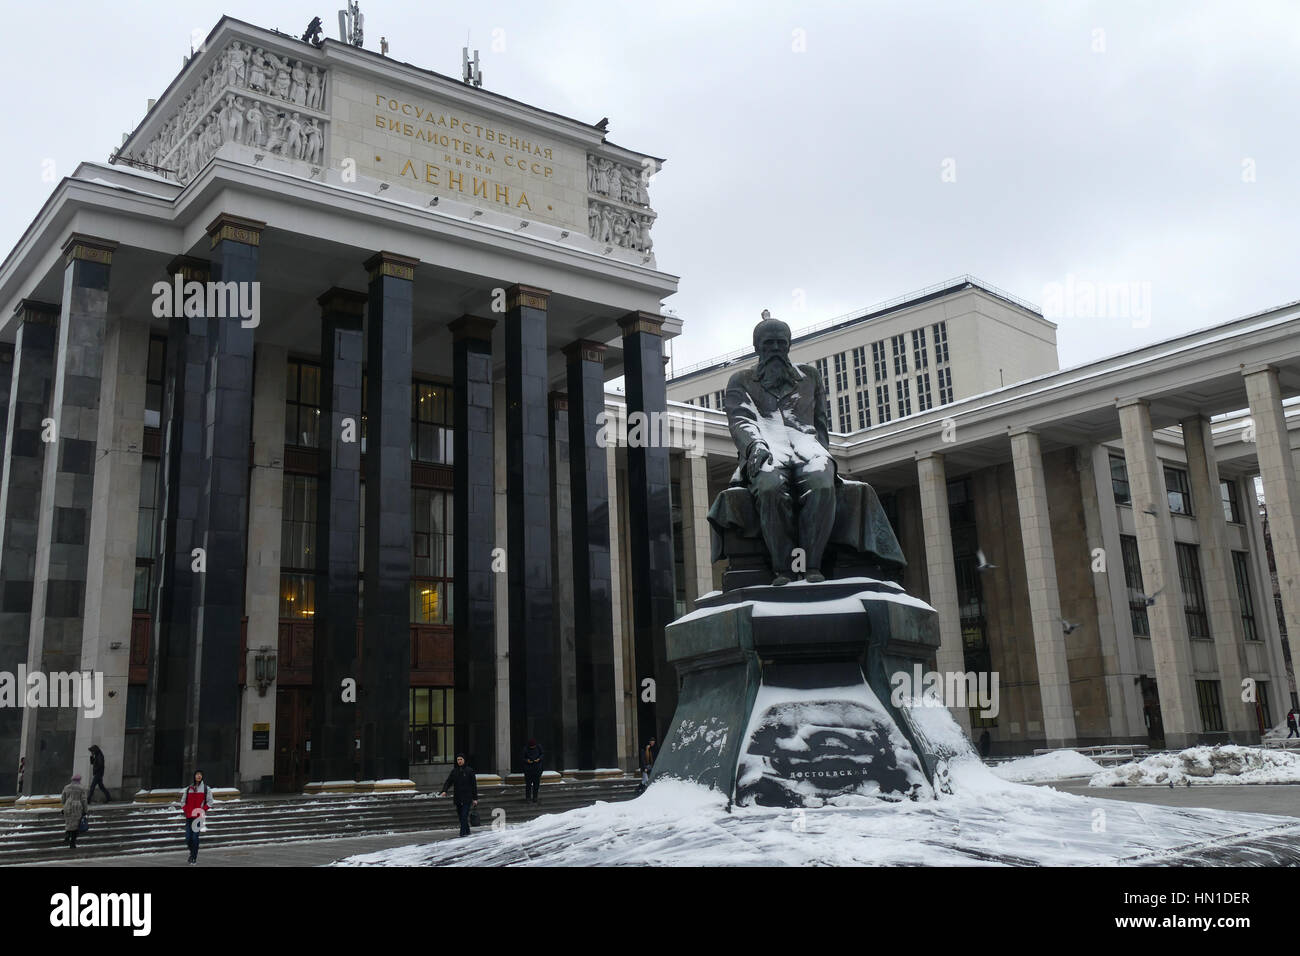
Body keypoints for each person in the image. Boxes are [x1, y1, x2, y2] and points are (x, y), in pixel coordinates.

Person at [723, 312, 836, 584]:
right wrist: (755, 446)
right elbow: (741, 420)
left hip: (807, 447)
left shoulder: (810, 376)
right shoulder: (740, 380)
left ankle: (812, 567)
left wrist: (823, 454)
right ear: (757, 347)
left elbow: (820, 421)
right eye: (769, 343)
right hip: (767, 448)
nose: (775, 349)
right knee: (770, 487)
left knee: (822, 484)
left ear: (789, 345)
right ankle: (784, 569)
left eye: (780, 343)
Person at [439, 754, 478, 837]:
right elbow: (448, 782)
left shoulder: (469, 771)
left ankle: (462, 834)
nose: (459, 761)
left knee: (464, 816)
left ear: (464, 760)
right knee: (461, 817)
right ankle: (467, 832)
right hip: (458, 798)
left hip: (467, 798)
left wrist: (475, 798)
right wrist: (444, 790)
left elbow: (474, 785)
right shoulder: (454, 771)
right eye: (458, 759)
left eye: (461, 759)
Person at [181, 770, 212, 864]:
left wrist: (202, 810)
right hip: (189, 817)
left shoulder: (206, 789)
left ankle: (194, 857)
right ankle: (192, 853)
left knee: (195, 838)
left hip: (198, 817)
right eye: (197, 774)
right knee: (188, 838)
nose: (199, 776)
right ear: (194, 776)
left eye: (200, 775)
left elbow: (210, 802)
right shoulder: (188, 789)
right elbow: (182, 802)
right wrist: (187, 811)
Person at [60, 774, 87, 850]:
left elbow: (62, 799)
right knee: (75, 825)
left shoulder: (66, 787)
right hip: (77, 807)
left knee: (68, 822)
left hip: (67, 806)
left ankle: (67, 834)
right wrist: (85, 810)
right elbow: (84, 800)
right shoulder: (81, 788)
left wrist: (65, 805)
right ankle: (72, 843)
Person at [522, 739, 544, 804]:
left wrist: (539, 759)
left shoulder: (539, 747)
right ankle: (528, 798)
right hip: (528, 770)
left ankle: (535, 797)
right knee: (528, 785)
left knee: (536, 785)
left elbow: (542, 754)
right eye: (531, 747)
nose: (532, 748)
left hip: (537, 769)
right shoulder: (525, 748)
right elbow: (522, 757)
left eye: (533, 747)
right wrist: (527, 760)